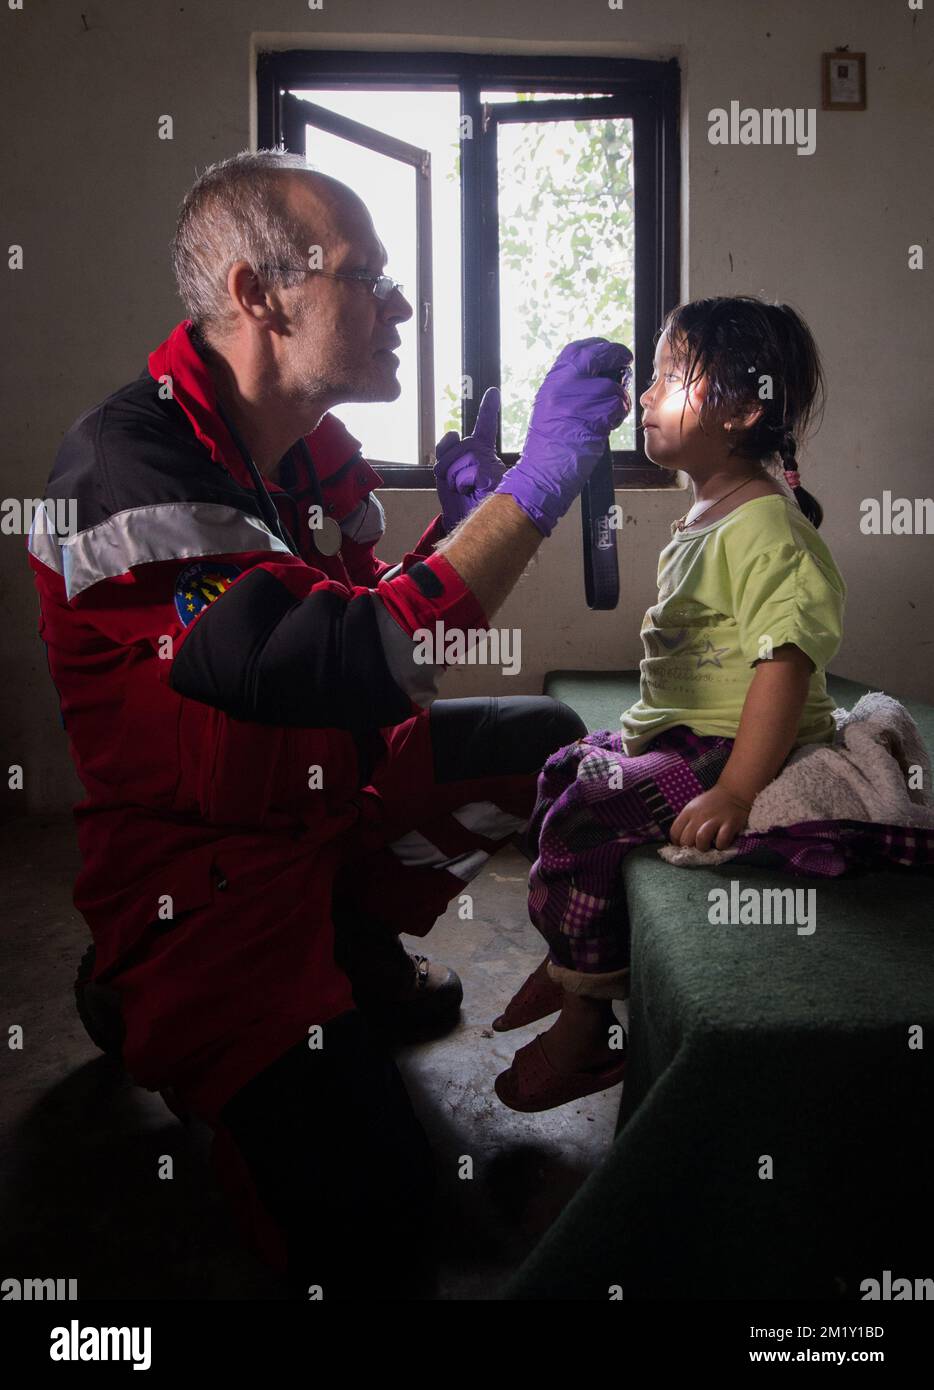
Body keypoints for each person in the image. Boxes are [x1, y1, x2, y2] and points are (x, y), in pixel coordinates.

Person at [27, 149, 632, 1295]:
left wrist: (447, 538)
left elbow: (349, 612)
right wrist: (528, 495)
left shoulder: (312, 449)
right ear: (259, 294)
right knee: (375, 1228)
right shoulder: (123, 470)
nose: (399, 304)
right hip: (210, 871)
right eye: (370, 277)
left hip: (328, 803)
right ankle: (139, 977)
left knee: (544, 743)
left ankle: (350, 940)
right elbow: (328, 660)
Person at [493, 295, 847, 1114]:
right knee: (560, 769)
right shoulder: (707, 510)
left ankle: (588, 1019)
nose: (645, 398)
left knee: (586, 811)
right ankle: (572, 959)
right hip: (687, 730)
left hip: (734, 744)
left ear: (744, 408)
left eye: (667, 378)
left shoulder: (769, 529)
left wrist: (737, 791)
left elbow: (783, 667)